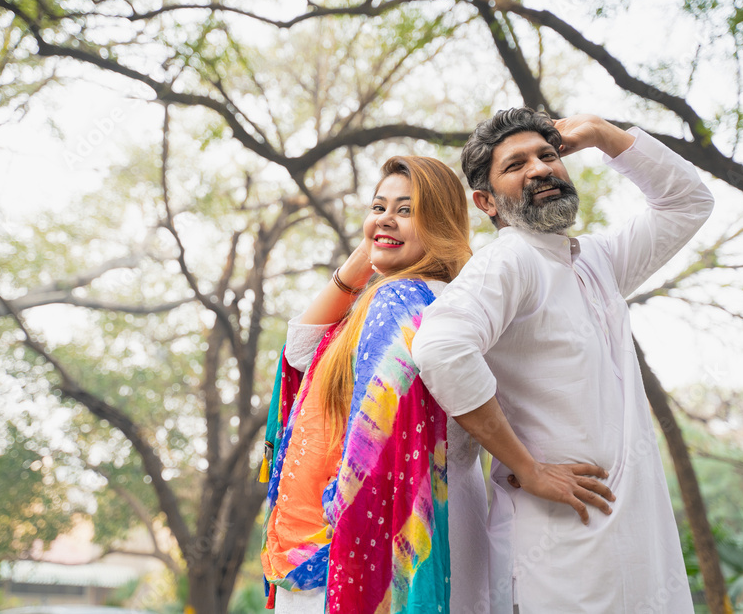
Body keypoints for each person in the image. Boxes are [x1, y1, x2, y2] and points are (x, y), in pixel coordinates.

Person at [412, 109, 715, 613]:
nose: (539, 169)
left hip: (637, 535)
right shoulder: (509, 259)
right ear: (486, 201)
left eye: (548, 155)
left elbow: (688, 202)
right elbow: (441, 348)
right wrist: (527, 468)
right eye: (516, 164)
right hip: (558, 546)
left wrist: (601, 133)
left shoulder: (597, 261)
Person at [259, 156, 489, 613]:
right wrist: (376, 245)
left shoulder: (400, 302)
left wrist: (339, 511)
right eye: (377, 207)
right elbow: (302, 349)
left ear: (439, 224)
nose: (385, 217)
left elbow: (374, 444)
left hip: (360, 537)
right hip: (420, 523)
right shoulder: (439, 301)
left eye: (406, 209)